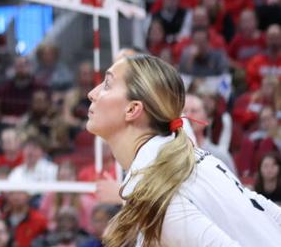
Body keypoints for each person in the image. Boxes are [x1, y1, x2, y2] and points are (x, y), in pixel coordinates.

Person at [84, 52, 281, 245]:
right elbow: (266, 210)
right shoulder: (182, 160)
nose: (91, 93)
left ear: (132, 109)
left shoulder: (157, 191)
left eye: (107, 84)